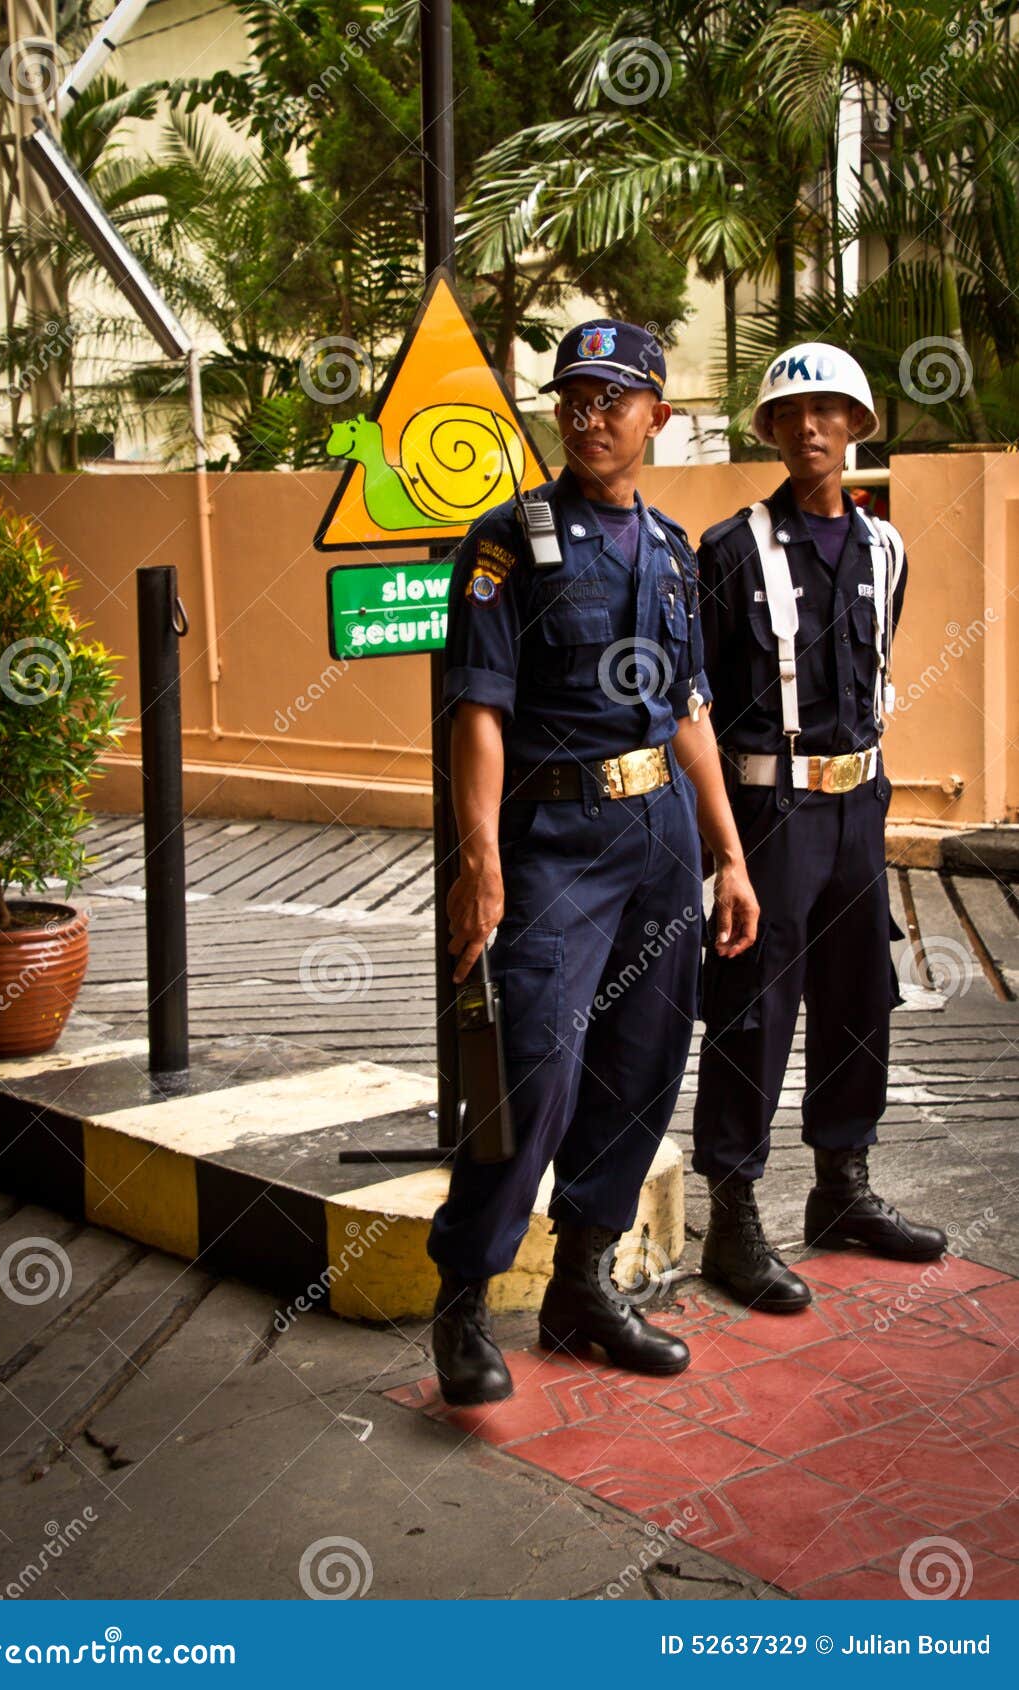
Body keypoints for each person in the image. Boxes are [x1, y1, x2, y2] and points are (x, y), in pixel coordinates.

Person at [426, 319, 759, 1406]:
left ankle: (580, 1285)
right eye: (572, 394)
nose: (588, 414)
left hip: (658, 837)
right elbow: (476, 711)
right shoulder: (505, 539)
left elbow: (690, 714)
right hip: (553, 846)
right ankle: (464, 1300)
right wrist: (478, 860)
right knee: (532, 1072)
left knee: (641, 1065)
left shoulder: (670, 548)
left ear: (657, 415)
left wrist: (728, 854)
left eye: (613, 397)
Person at [692, 342, 946, 1315]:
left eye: (827, 411)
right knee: (752, 1003)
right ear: (770, 431)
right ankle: (731, 1215)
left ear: (853, 427)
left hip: (858, 807)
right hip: (768, 810)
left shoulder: (886, 548)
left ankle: (840, 1188)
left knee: (858, 994)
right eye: (791, 414)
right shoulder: (728, 550)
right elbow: (694, 705)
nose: (809, 427)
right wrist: (720, 852)